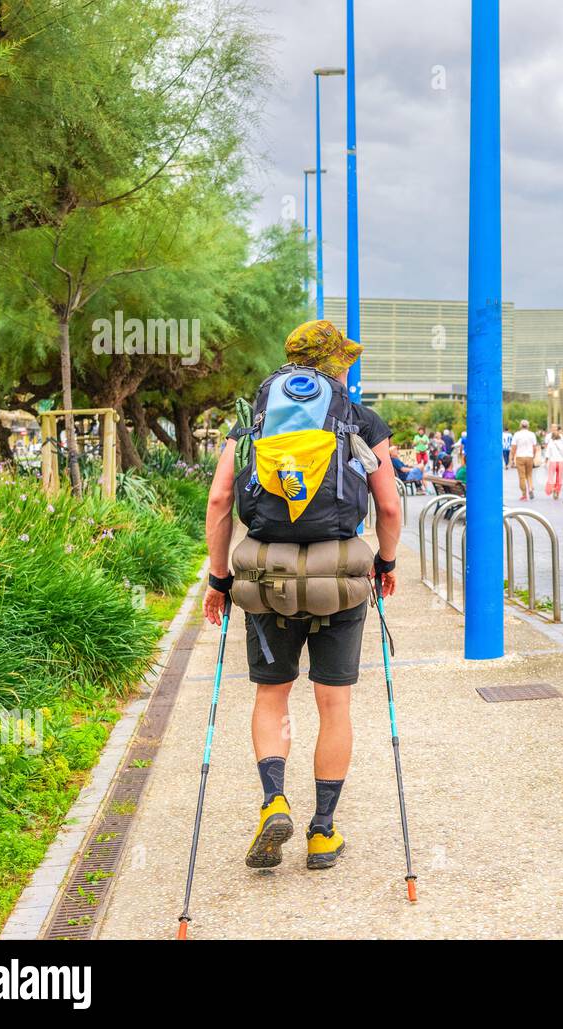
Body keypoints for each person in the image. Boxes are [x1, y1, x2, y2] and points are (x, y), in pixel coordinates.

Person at [203, 319, 401, 872]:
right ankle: (322, 831)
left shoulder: (251, 419)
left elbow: (220, 501)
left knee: (272, 695)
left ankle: (273, 801)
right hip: (339, 577)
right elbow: (387, 505)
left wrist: (220, 580)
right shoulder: (361, 418)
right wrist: (384, 563)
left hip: (267, 577)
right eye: (345, 359)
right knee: (333, 703)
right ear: (334, 363)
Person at [511, 419, 539, 501]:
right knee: (529, 475)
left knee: (522, 477)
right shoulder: (532, 434)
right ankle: (530, 488)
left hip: (520, 457)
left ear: (520, 426)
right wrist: (533, 456)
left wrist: (512, 457)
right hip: (529, 456)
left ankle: (524, 495)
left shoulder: (517, 434)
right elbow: (534, 447)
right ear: (528, 426)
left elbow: (513, 447)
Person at [544, 428, 563, 499]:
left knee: (551, 477)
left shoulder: (550, 443)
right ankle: (557, 491)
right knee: (559, 478)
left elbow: (547, 454)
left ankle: (551, 489)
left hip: (553, 462)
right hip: (561, 462)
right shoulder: (562, 444)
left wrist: (545, 462)